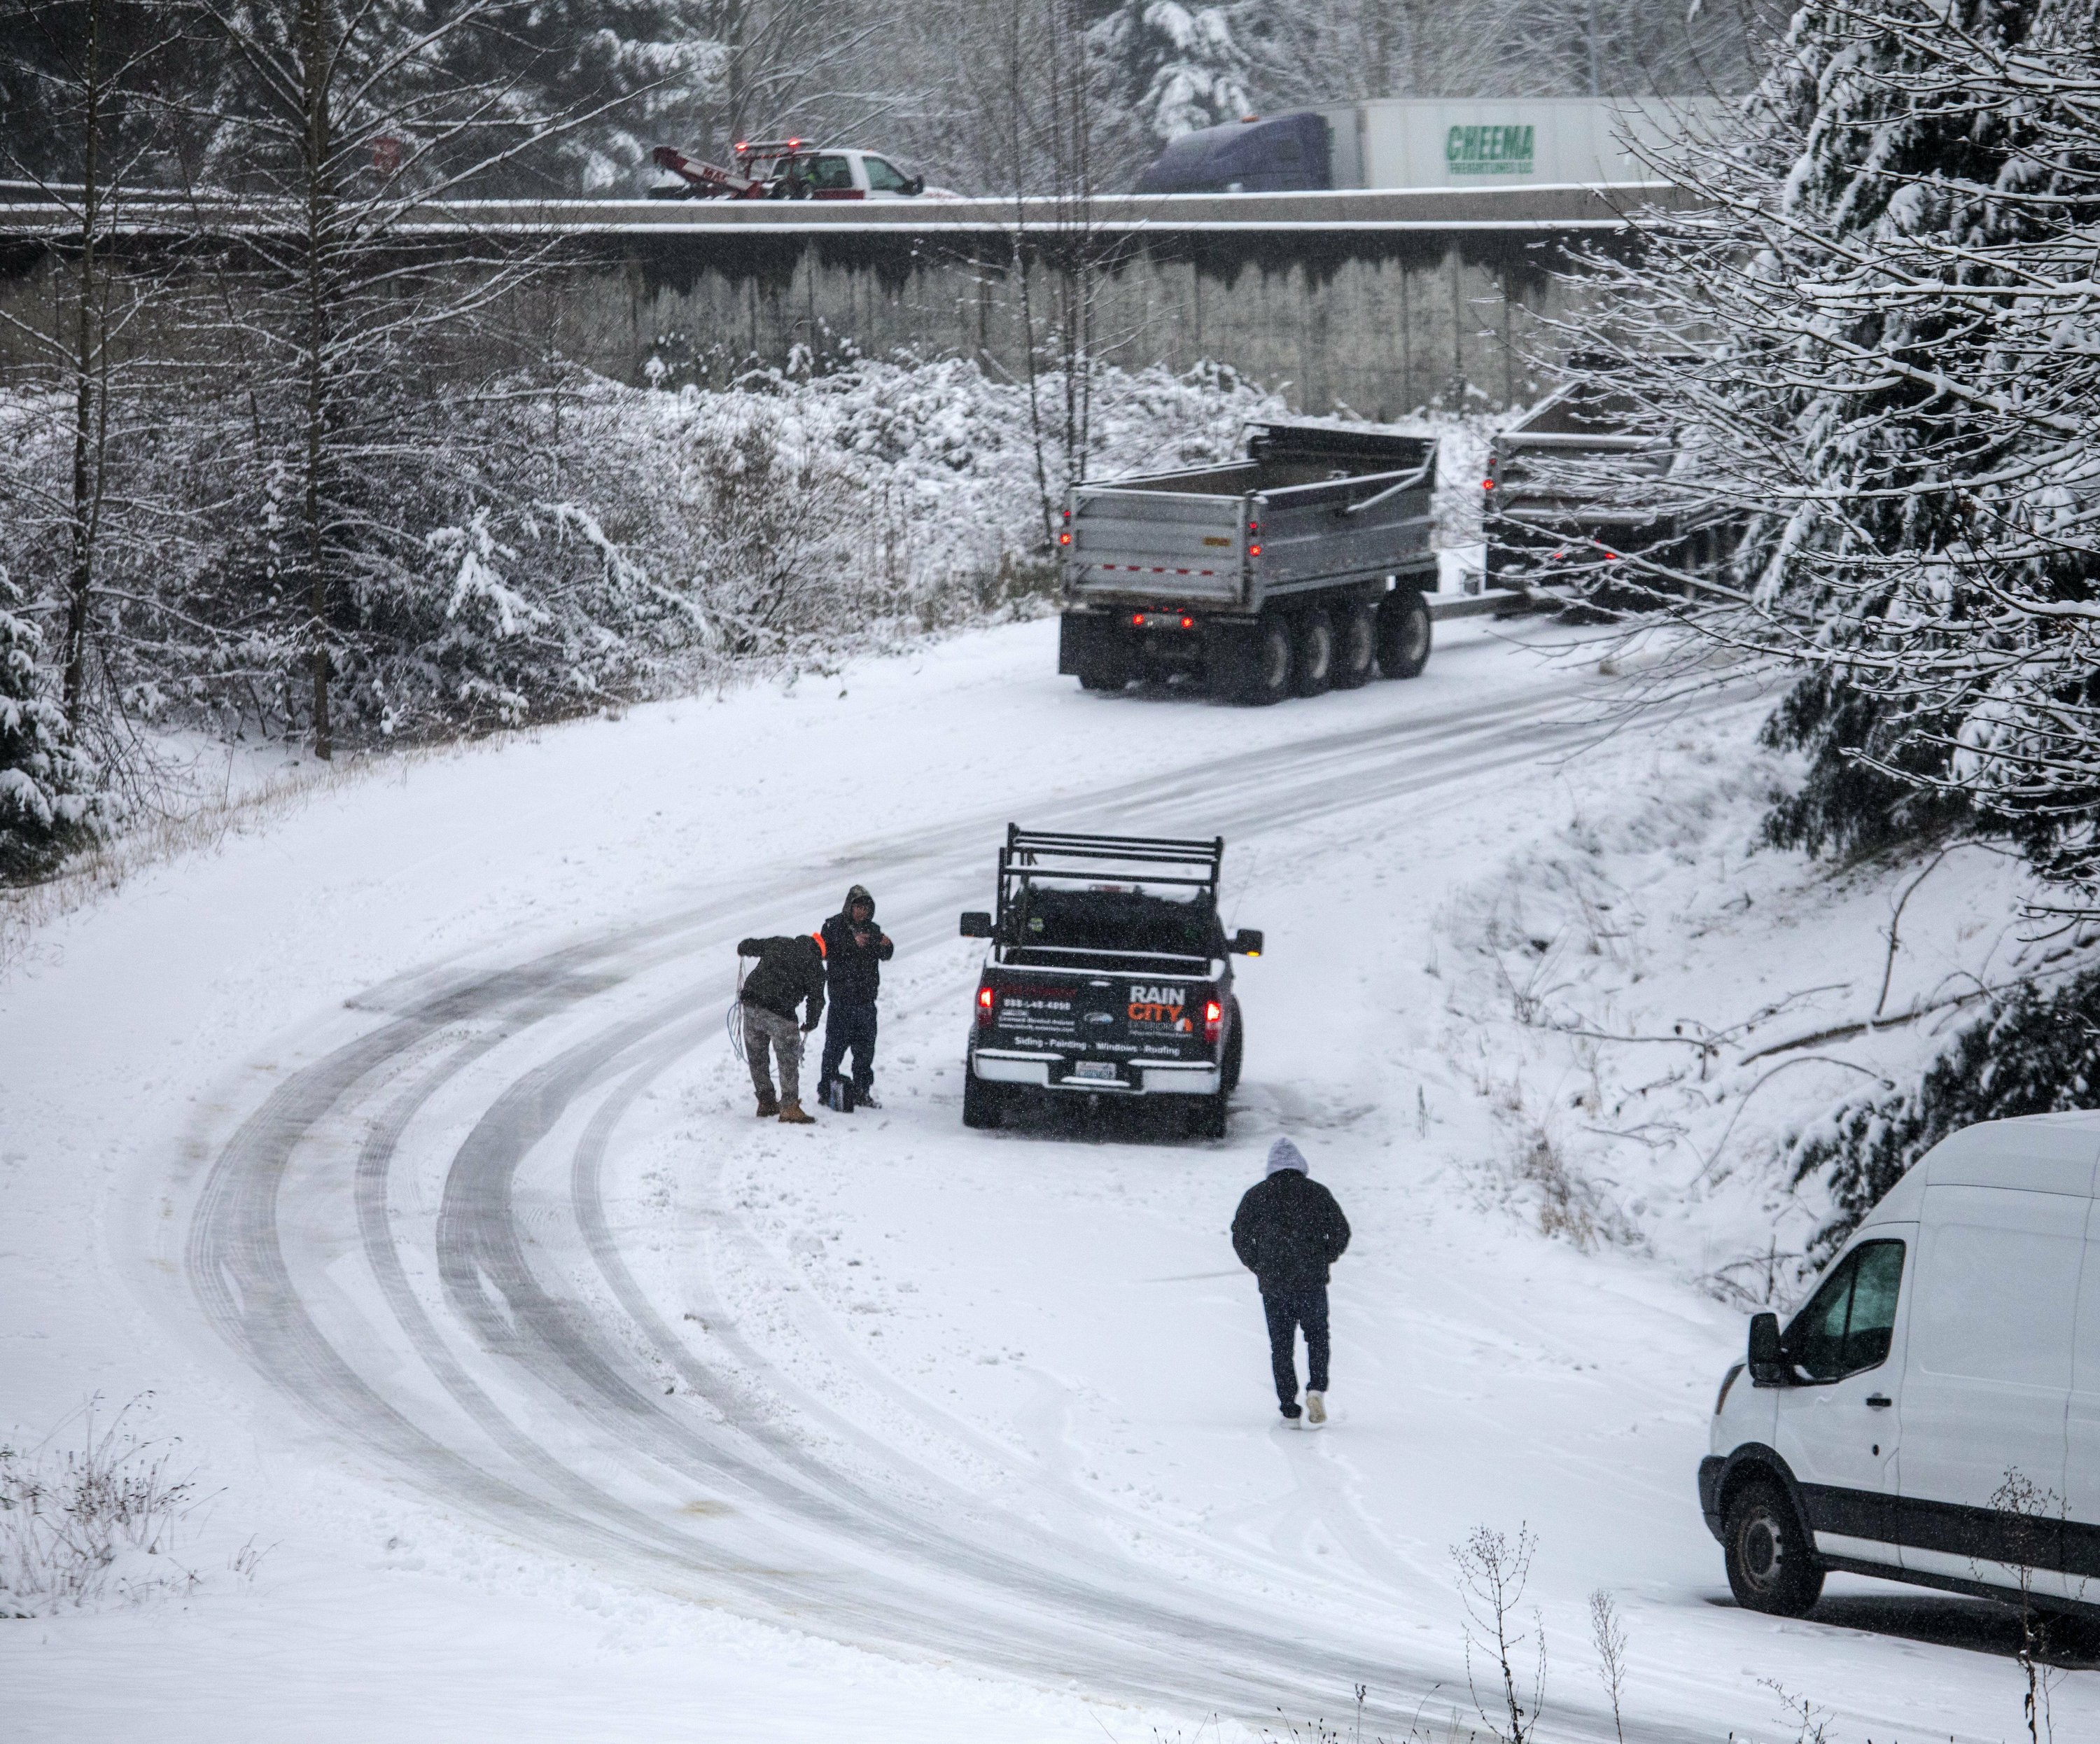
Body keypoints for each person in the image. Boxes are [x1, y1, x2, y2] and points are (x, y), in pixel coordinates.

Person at [1231, 1136, 1351, 1425]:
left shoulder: (1257, 1195)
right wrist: (1325, 1257)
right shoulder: (1317, 1193)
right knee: (1318, 1338)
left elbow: (1240, 1236)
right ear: (1301, 1166)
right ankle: (1317, 1389)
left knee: (1281, 1346)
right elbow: (1341, 1231)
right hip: (1311, 1281)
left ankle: (1288, 1404)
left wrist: (1258, 1264)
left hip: (1275, 1283)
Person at [736, 932, 827, 1124]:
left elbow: (749, 946)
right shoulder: (815, 964)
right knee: (787, 1061)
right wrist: (810, 1023)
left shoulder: (779, 943)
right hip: (780, 1011)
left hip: (752, 1004)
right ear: (820, 952)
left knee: (757, 1057)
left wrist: (743, 947)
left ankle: (766, 1101)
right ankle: (789, 1107)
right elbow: (817, 999)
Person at [817, 883, 893, 1108]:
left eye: (866, 908)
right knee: (834, 1049)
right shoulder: (833, 926)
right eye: (859, 907)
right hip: (841, 1001)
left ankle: (862, 1091)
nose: (863, 912)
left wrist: (887, 946)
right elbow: (823, 950)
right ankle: (826, 1091)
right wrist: (851, 944)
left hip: (865, 1002)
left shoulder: (873, 929)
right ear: (849, 907)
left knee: (865, 1052)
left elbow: (886, 954)